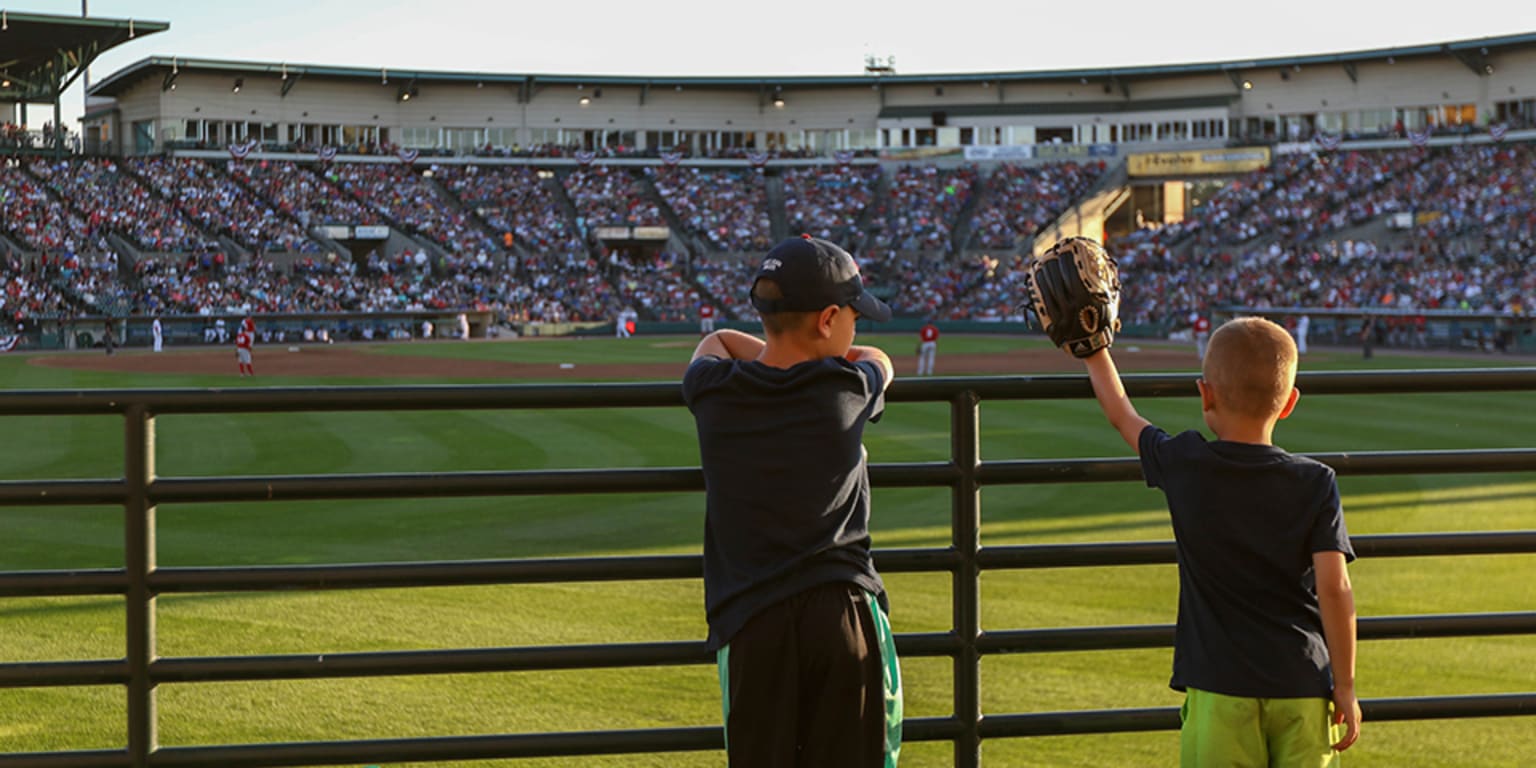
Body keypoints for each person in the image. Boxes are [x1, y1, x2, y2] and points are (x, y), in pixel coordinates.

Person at [1078, 316, 1360, 767]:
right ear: (1289, 403)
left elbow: (1122, 414)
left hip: (1218, 688)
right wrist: (1343, 685)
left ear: (1205, 393)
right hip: (1303, 685)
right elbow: (1335, 588)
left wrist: (1094, 350)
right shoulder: (1315, 481)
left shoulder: (1185, 462)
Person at [683, 235, 902, 767]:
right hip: (842, 614)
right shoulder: (845, 388)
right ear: (828, 320)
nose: (856, 329)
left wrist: (770, 361)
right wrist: (810, 365)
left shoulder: (714, 390)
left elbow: (713, 342)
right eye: (853, 315)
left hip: (752, 623)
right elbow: (880, 361)